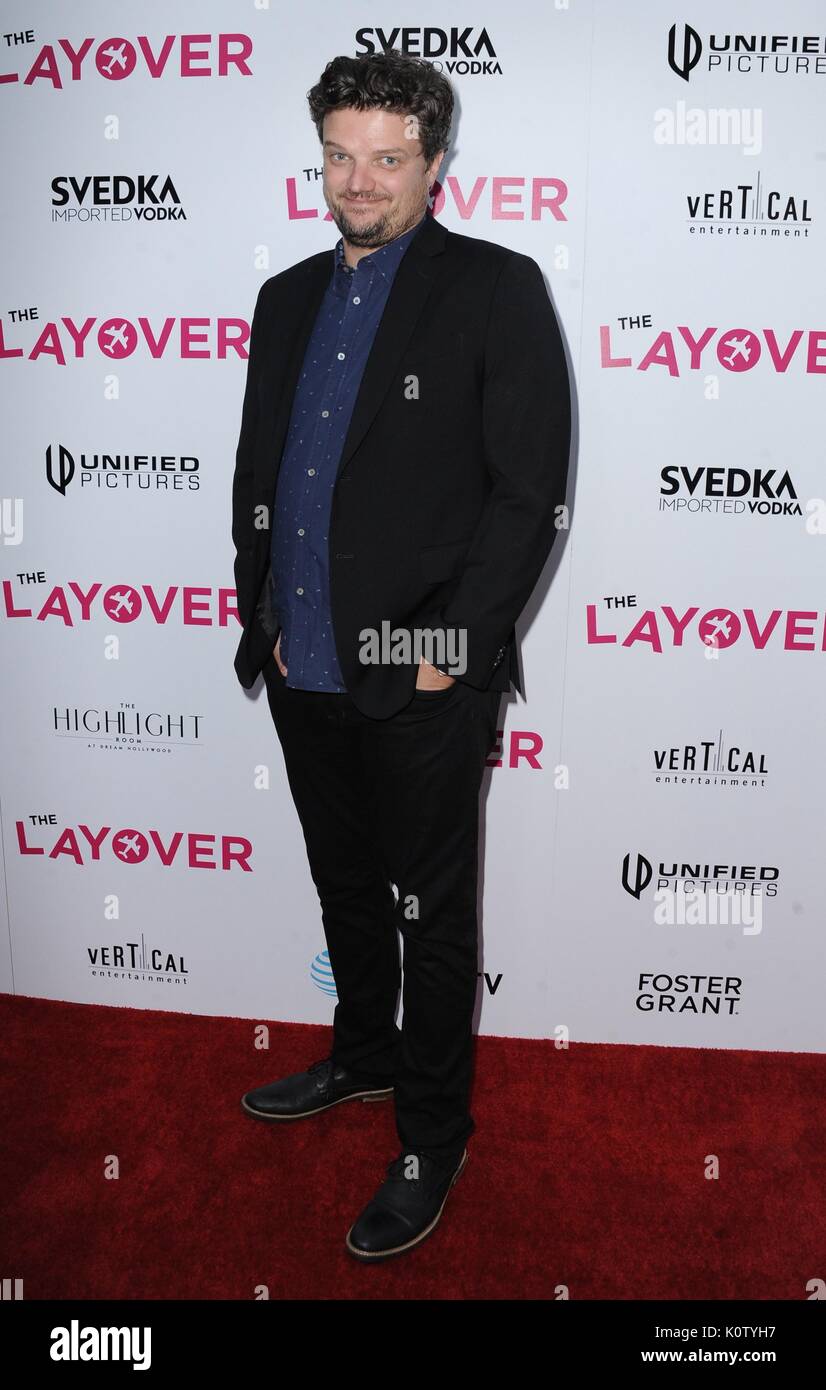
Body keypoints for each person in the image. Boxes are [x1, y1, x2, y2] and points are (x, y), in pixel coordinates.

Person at [231, 49, 571, 1261]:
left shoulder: (492, 288)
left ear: (433, 161)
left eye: (385, 157)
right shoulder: (283, 298)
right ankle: (364, 1057)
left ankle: (432, 1131)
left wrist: (442, 656)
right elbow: (263, 471)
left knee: (430, 910)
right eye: (338, 154)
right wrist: (260, 609)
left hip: (417, 668)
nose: (357, 179)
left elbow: (527, 496)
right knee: (344, 885)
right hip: (303, 659)